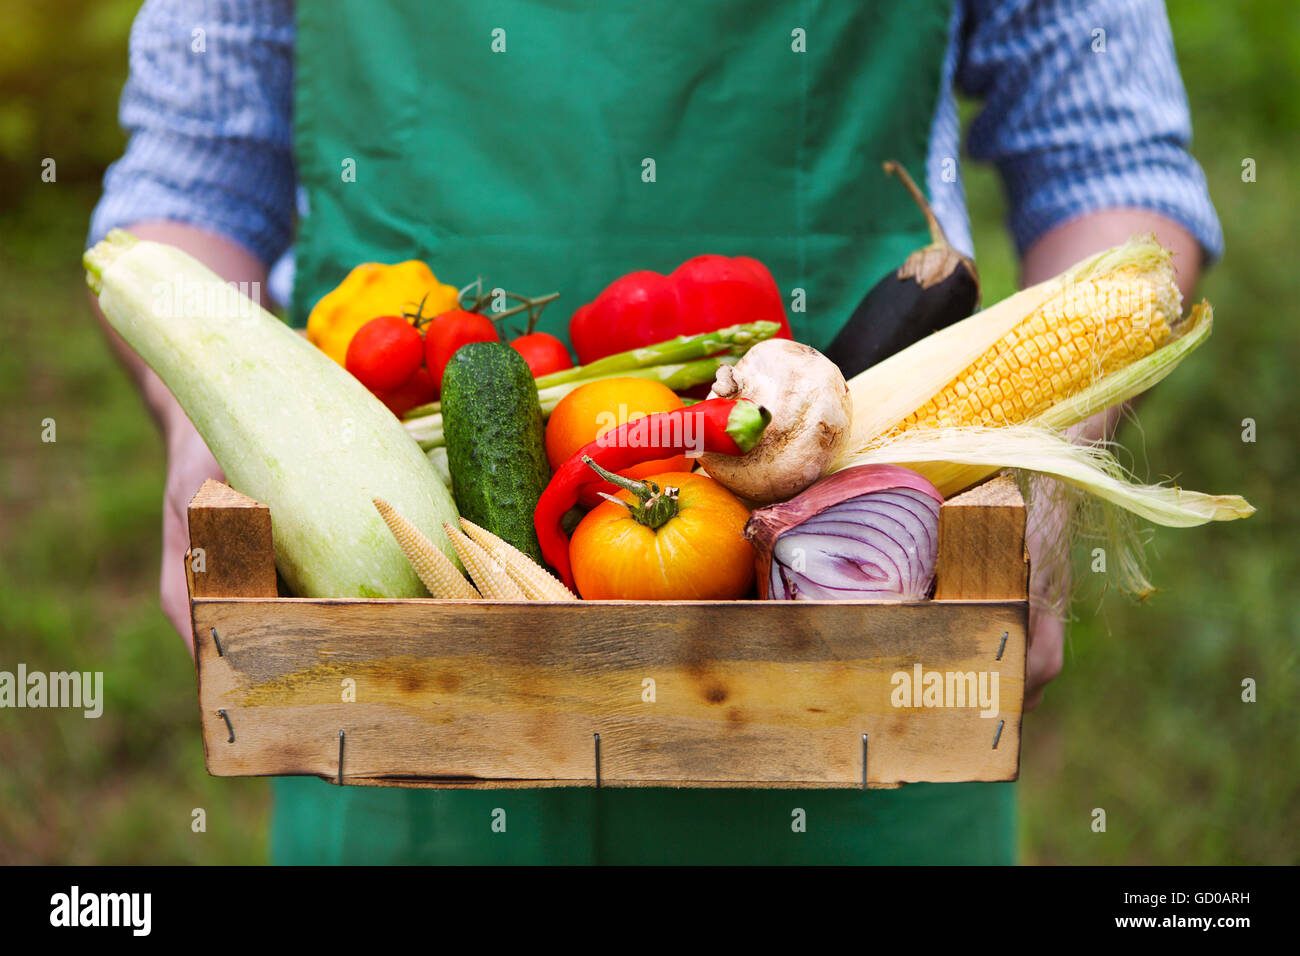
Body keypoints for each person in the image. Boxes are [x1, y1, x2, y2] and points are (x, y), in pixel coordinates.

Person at [89, 0, 1221, 864]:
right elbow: (195, 177)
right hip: (400, 702)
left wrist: (1057, 450)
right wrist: (214, 430)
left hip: (857, 686)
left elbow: (1107, 166)